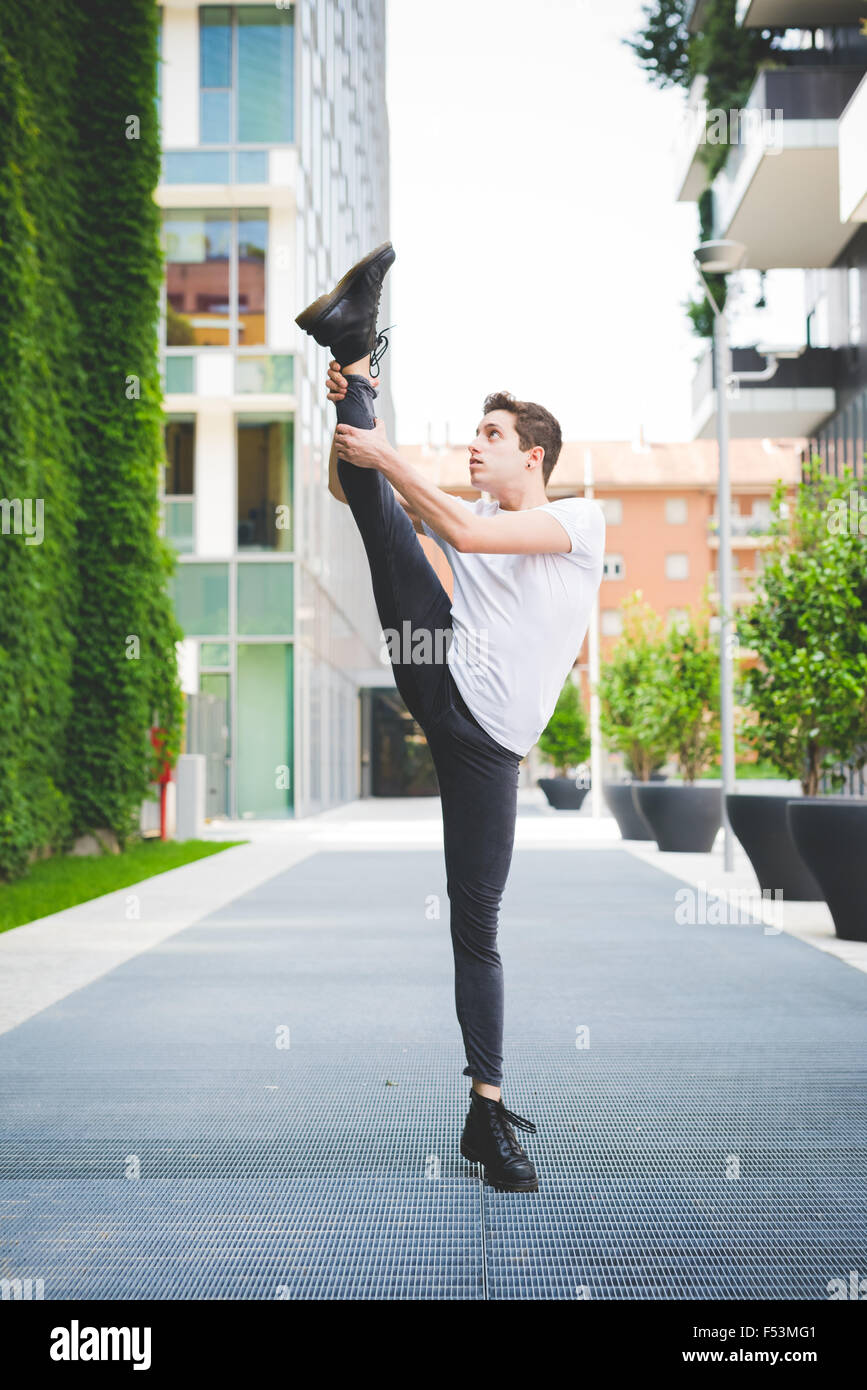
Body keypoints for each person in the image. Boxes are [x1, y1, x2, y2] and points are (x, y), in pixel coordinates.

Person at [295, 242, 606, 1192]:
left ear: (533, 455)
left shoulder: (576, 523)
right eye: (473, 432)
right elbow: (355, 492)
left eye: (491, 435)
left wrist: (381, 451)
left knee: (477, 922)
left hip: (489, 748)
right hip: (440, 667)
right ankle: (351, 347)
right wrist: (354, 420)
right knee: (380, 510)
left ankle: (484, 1114)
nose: (475, 446)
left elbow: (466, 533)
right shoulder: (468, 505)